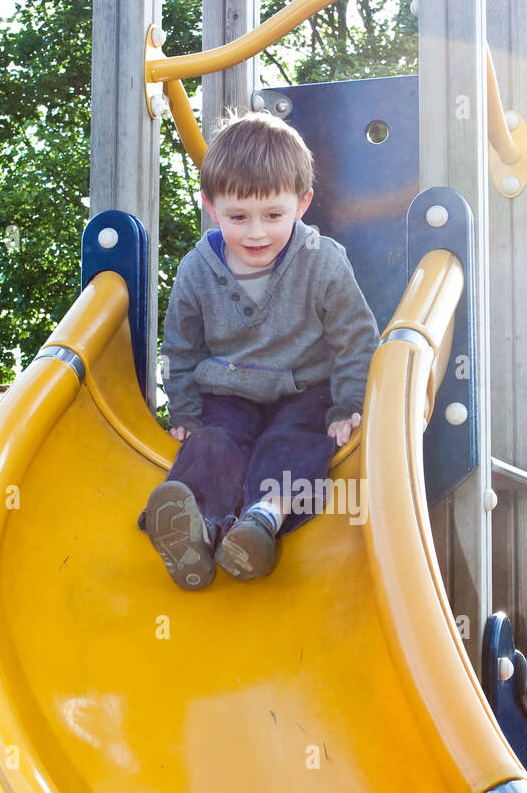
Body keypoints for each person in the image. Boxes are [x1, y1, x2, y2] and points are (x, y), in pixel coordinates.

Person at [139, 109, 379, 589]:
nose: (256, 233)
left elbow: (356, 338)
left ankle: (261, 522)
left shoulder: (323, 263)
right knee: (213, 442)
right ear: (211, 207)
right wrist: (185, 412)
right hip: (229, 390)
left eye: (273, 216)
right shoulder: (197, 270)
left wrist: (348, 405)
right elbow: (180, 348)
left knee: (297, 441)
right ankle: (195, 529)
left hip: (306, 390)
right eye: (238, 217)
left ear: (302, 203)